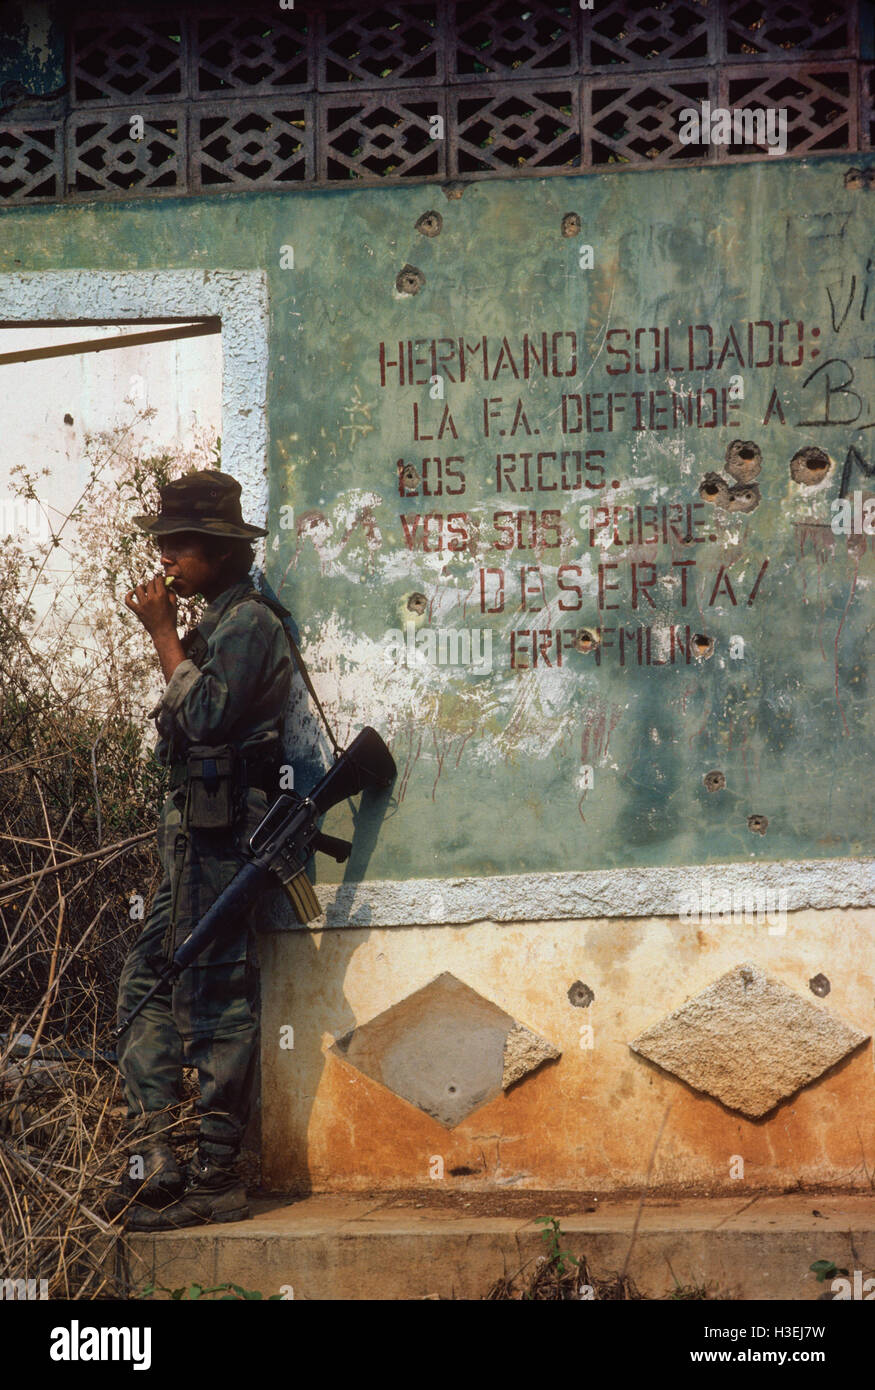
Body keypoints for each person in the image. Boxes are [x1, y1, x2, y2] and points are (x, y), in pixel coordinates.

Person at [109, 469, 292, 1230]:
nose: (167, 561)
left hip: (222, 842)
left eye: (180, 548)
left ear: (218, 552)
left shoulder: (247, 622)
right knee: (143, 990)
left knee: (215, 1000)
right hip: (192, 843)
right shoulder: (218, 621)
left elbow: (209, 718)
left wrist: (161, 639)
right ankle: (156, 1161)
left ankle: (217, 1175)